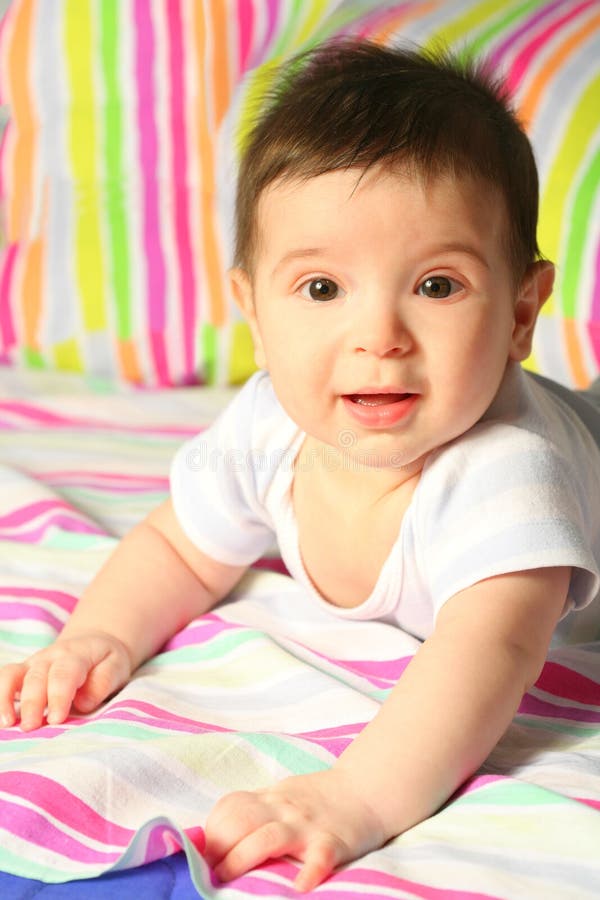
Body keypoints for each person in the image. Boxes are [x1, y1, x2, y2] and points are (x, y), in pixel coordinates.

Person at [1, 38, 600, 892]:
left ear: (520, 313)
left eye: (436, 285)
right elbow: (180, 549)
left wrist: (353, 798)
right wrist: (100, 635)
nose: (378, 337)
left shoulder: (509, 473)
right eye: (322, 288)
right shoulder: (270, 426)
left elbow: (488, 652)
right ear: (253, 311)